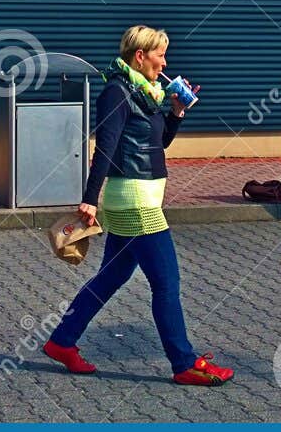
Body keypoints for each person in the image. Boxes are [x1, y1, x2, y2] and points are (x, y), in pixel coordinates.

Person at [44, 25, 233, 386]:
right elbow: (106, 146)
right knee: (167, 283)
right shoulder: (117, 91)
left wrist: (176, 112)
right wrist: (89, 198)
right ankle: (184, 363)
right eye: (160, 55)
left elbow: (158, 142)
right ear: (140, 56)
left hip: (138, 198)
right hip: (135, 203)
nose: (165, 63)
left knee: (112, 276)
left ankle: (61, 342)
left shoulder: (147, 93)